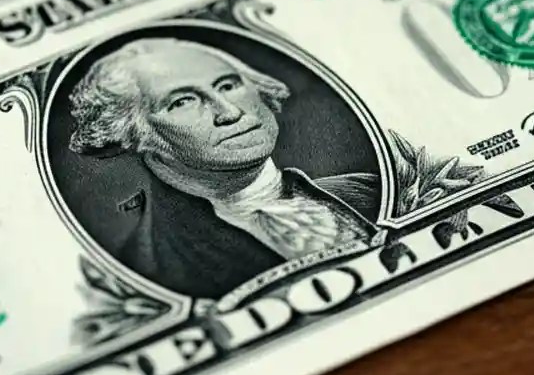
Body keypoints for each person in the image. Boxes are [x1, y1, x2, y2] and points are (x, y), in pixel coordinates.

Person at [68, 38, 378, 299]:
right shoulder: (145, 267)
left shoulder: (369, 191)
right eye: (182, 102)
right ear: (129, 134)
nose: (229, 112)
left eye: (228, 85)